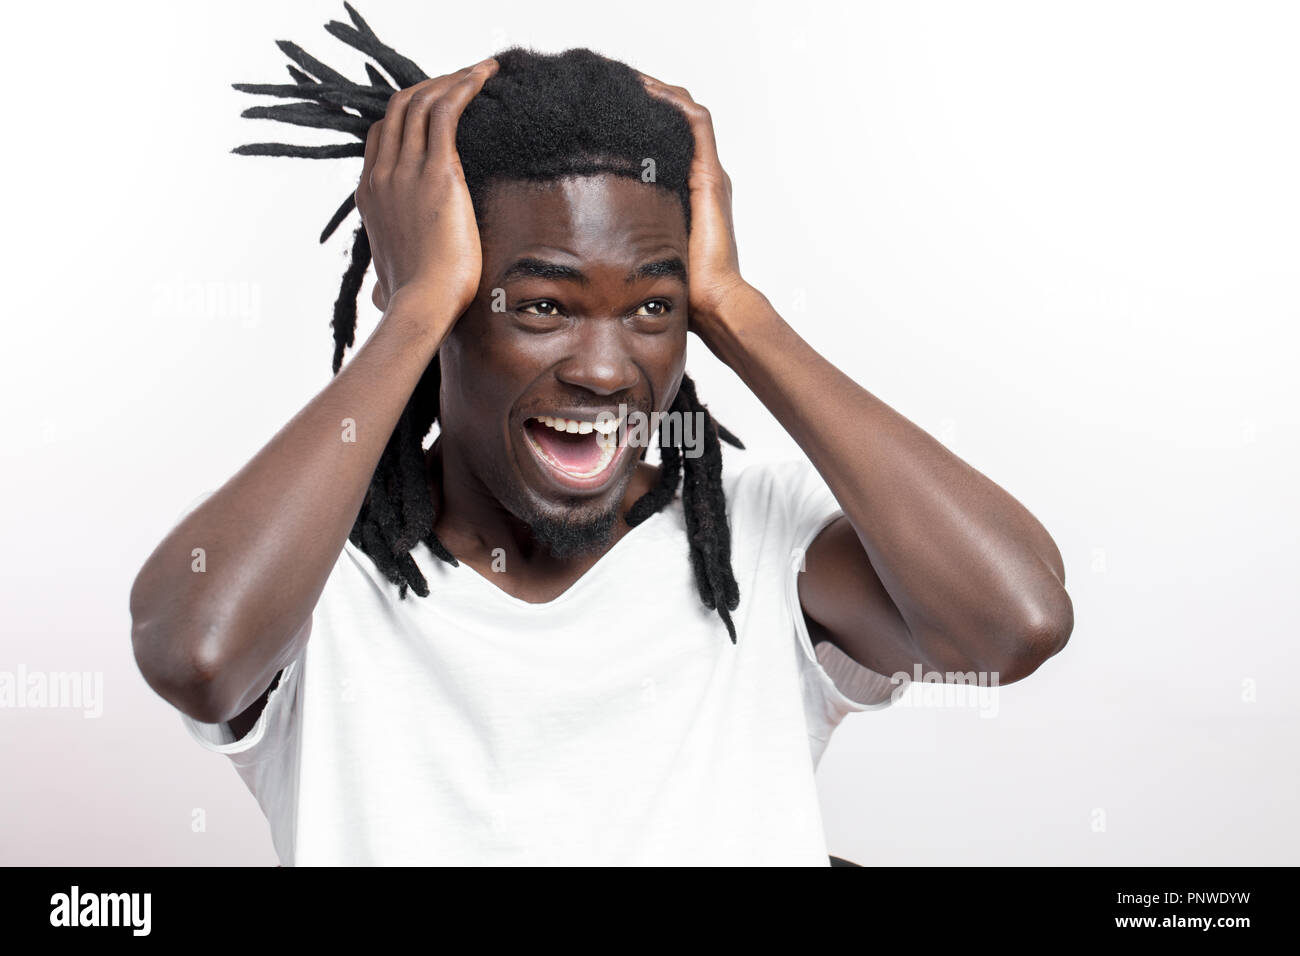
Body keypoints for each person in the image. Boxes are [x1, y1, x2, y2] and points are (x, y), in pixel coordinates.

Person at [129, 3, 1073, 865]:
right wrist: (412, 308)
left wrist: (738, 310)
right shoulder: (321, 575)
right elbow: (196, 654)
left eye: (655, 307)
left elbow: (1015, 623)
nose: (608, 369)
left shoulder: (760, 548)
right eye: (543, 304)